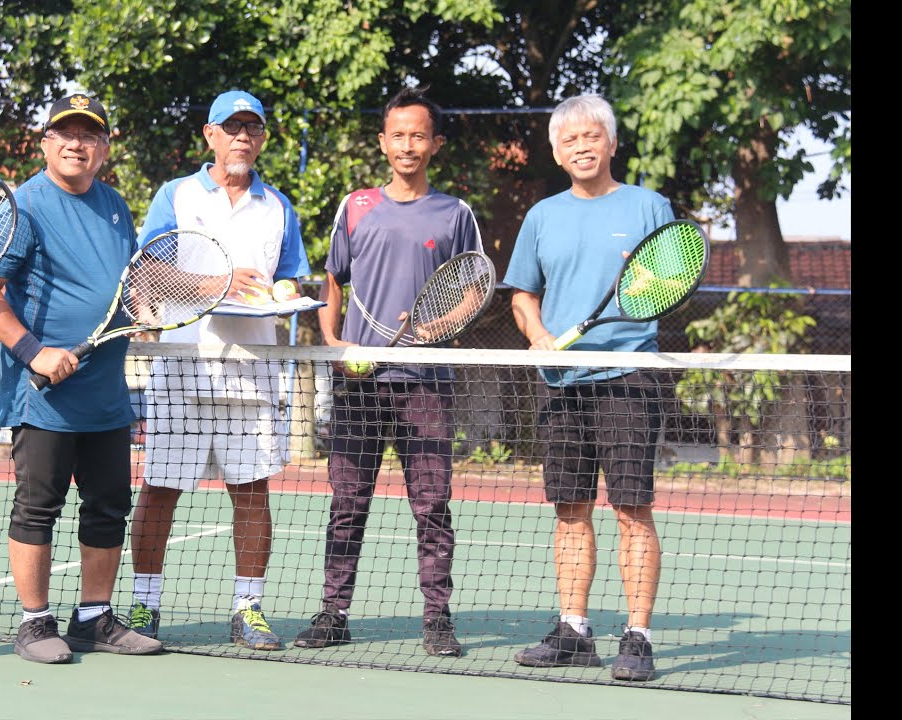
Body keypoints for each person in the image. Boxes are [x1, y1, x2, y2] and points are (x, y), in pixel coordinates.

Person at [0, 93, 163, 664]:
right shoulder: (22, 206)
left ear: (104, 148)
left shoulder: (117, 206)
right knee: (37, 507)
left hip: (106, 394)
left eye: (89, 135)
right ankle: (33, 623)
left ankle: (94, 619)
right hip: (43, 398)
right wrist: (34, 351)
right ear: (46, 142)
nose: (77, 143)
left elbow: (125, 283)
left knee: (107, 507)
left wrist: (141, 311)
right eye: (65, 133)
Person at [294, 86, 482, 658]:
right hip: (359, 382)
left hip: (426, 382)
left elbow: (476, 287)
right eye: (398, 134)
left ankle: (437, 618)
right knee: (347, 503)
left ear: (435, 144)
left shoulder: (455, 213)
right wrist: (332, 340)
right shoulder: (355, 207)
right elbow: (333, 280)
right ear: (382, 141)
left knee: (431, 505)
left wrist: (438, 323)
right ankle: (334, 613)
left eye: (418, 135)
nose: (407, 145)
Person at [126, 90, 310, 650]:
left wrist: (285, 296)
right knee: (159, 490)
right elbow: (146, 276)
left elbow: (293, 282)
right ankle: (144, 604)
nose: (242, 137)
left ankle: (248, 609)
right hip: (182, 367)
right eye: (231, 127)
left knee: (252, 493)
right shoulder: (175, 196)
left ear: (262, 138)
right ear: (209, 134)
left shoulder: (279, 207)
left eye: (252, 128)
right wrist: (219, 286)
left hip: (254, 371)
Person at [504, 93, 674, 682]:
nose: (581, 146)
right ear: (555, 151)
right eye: (569, 139)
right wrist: (540, 333)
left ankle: (638, 636)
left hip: (629, 379)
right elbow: (523, 295)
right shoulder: (542, 216)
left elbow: (670, 280)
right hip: (561, 382)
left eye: (591, 136)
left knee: (632, 509)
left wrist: (648, 275)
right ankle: (574, 629)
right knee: (570, 510)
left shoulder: (651, 207)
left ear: (611, 143)